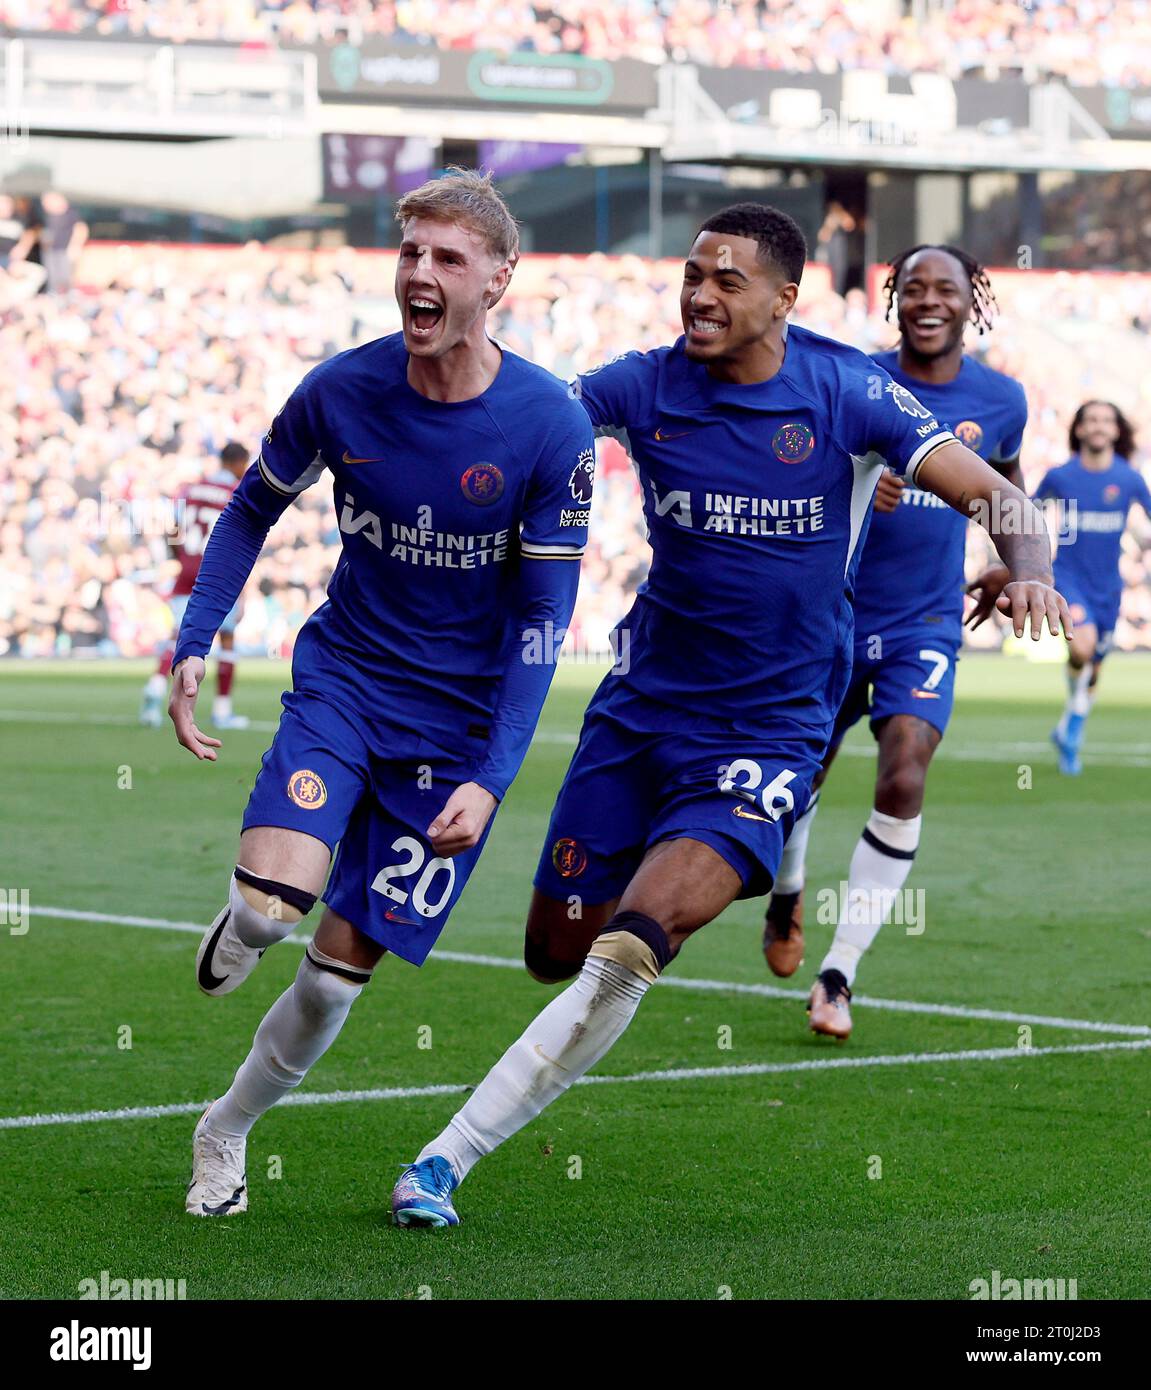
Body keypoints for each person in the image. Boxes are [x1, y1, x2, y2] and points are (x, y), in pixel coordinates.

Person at [390, 202, 1071, 1228]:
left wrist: (1023, 571)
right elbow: (524, 418)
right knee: (552, 947)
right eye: (691, 276)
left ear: (783, 298)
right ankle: (705, 884)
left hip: (767, 728)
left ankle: (441, 1161)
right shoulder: (645, 383)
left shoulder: (848, 392)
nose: (700, 296)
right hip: (638, 710)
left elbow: (1006, 501)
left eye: (726, 281)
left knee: (632, 942)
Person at [176, 169, 594, 1217]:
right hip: (346, 685)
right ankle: (241, 922)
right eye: (410, 252)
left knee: (326, 980)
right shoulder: (339, 391)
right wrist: (195, 637)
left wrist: (493, 778)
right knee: (269, 912)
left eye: (448, 258)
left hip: (454, 734)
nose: (420, 273)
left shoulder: (549, 427)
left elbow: (543, 625)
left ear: (498, 281)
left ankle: (223, 1129)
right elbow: (248, 511)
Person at [759, 245, 1028, 1040]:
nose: (928, 300)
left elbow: (1003, 485)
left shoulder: (1001, 398)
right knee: (794, 779)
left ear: (970, 300)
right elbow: (785, 472)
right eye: (912, 287)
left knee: (905, 770)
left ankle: (837, 973)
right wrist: (848, 479)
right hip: (830, 615)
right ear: (892, 299)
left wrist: (1009, 565)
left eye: (945, 288)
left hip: (924, 621)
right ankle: (785, 890)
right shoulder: (851, 378)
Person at [974, 400, 1149, 776]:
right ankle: (1072, 723)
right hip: (1068, 578)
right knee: (1082, 649)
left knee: (1095, 665)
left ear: (1116, 431)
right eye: (1092, 421)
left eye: (1106, 420)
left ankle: (1070, 727)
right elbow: (1023, 512)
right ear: (1080, 429)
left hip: (1108, 586)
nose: (1099, 427)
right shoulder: (1061, 477)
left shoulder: (1129, 478)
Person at [140, 442, 252, 730]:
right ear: (239, 462)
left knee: (179, 634)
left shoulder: (192, 489)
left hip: (188, 567)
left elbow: (173, 530)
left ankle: (155, 687)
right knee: (226, 637)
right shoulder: (235, 492)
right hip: (217, 570)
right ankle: (222, 710)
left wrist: (183, 558)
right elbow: (241, 538)